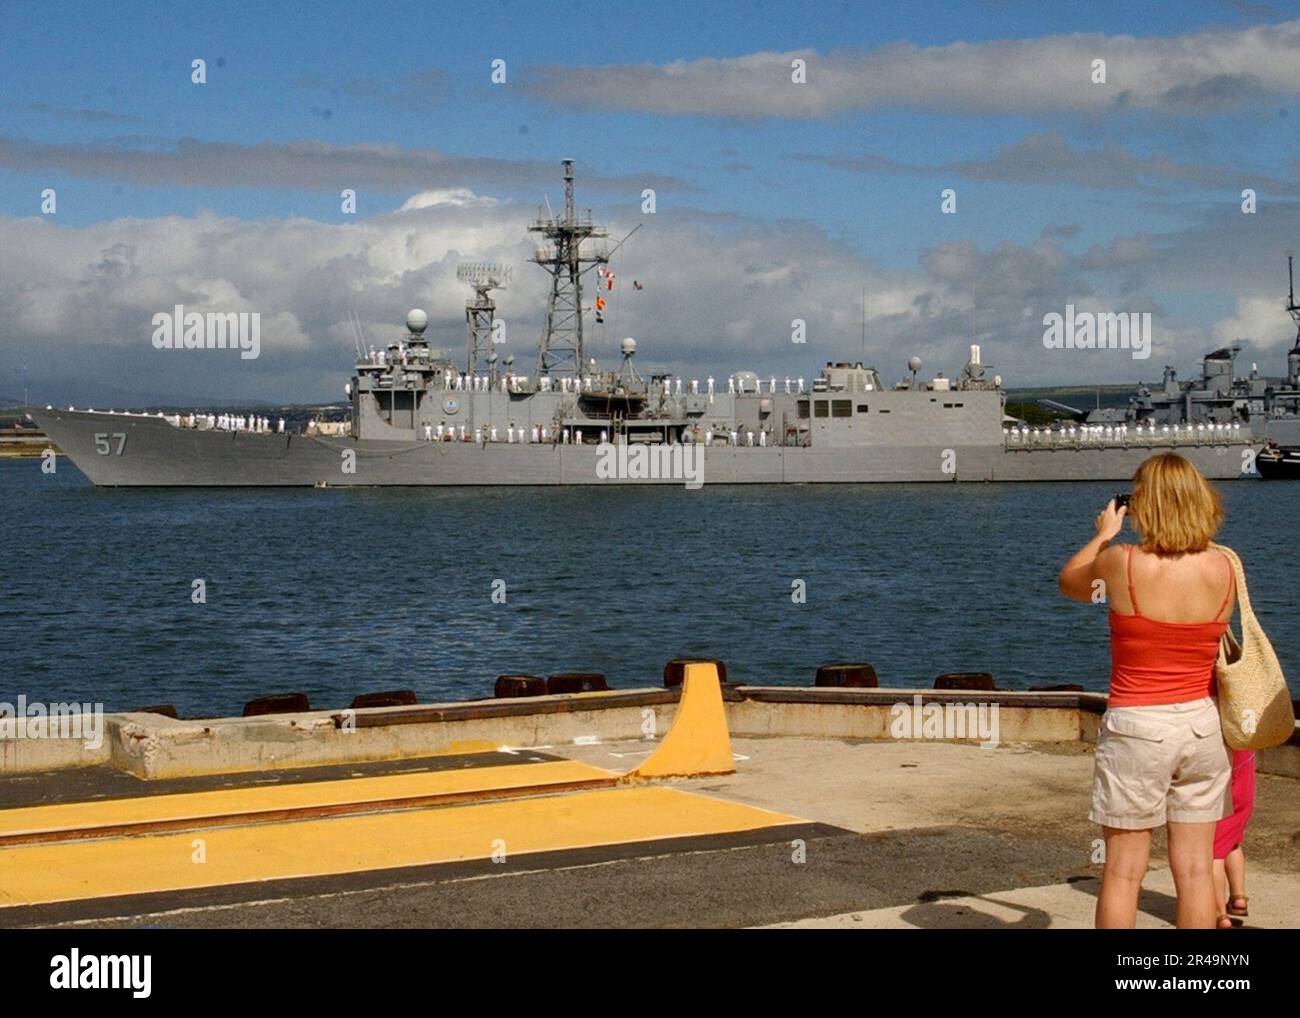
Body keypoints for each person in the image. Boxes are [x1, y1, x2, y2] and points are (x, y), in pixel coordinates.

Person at [1058, 452, 1236, 929]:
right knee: (1198, 871)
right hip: (1203, 727)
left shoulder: (1122, 562)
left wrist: (1102, 534)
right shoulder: (1225, 567)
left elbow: (1070, 583)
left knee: (1122, 871)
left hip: (1139, 726)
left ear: (1144, 506)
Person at [1213, 749, 1256, 928]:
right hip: (1244, 785)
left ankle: (1218, 914)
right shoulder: (1244, 736)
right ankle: (1239, 897)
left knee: (1212, 853)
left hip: (1222, 792)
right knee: (1232, 841)